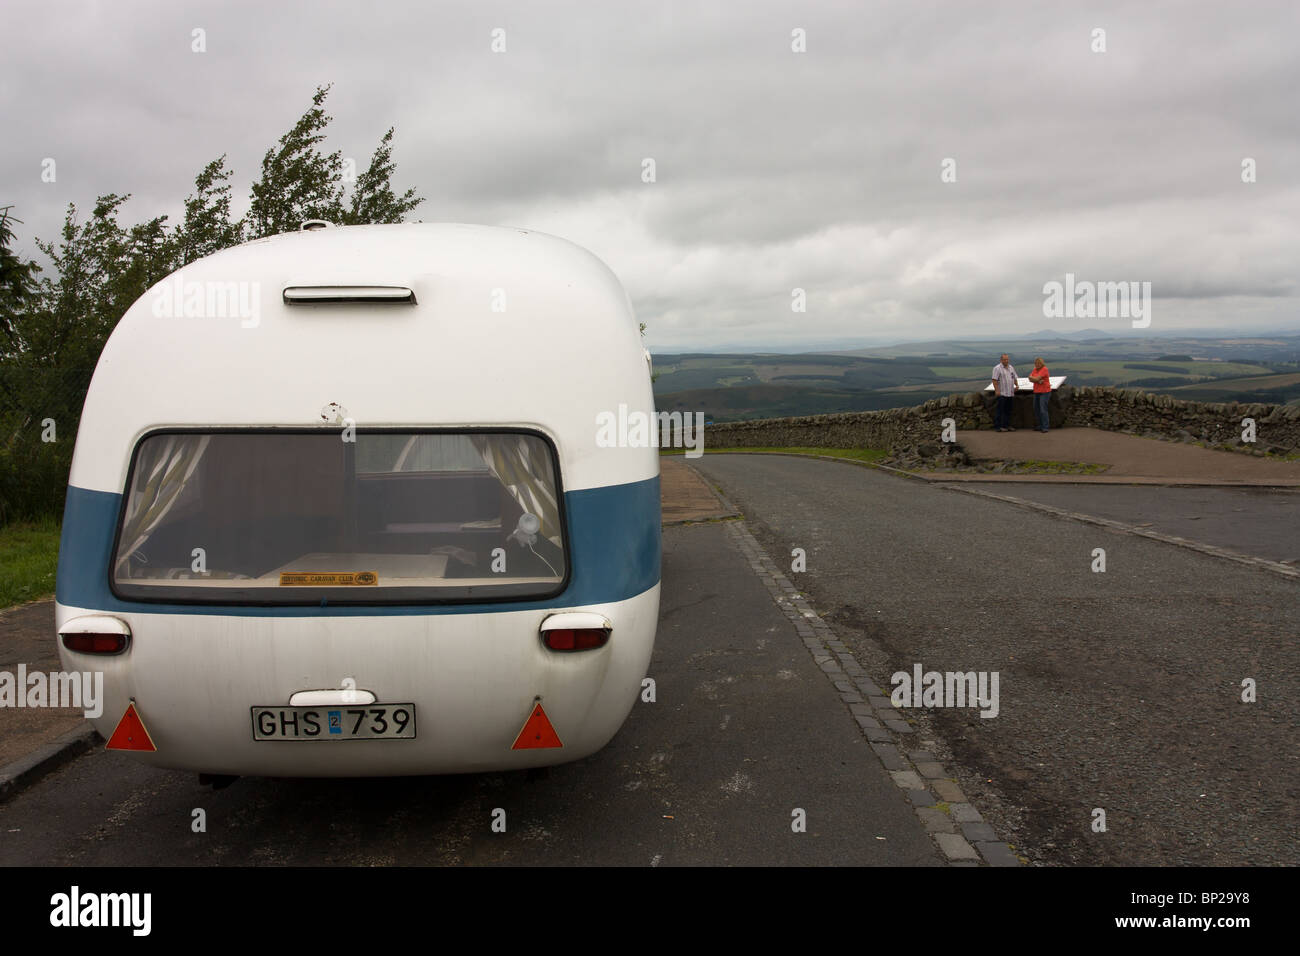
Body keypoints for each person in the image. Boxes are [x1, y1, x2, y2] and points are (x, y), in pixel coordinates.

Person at [990, 354, 1018, 432]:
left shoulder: (1011, 367)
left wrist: (1017, 385)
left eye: (1007, 359)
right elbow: (994, 380)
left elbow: (1014, 377)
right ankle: (998, 427)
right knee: (1000, 410)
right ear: (1001, 360)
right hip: (1002, 393)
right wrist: (996, 390)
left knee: (1008, 410)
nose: (1006, 361)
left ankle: (1007, 425)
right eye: (1005, 359)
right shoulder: (997, 368)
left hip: (1010, 393)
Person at [1029, 357, 1051, 432]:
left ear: (1042, 364)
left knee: (1043, 410)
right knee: (1036, 409)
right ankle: (1040, 425)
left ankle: (1045, 427)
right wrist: (1037, 380)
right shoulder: (1035, 369)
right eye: (1036, 363)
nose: (1037, 365)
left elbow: (1034, 378)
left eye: (1039, 363)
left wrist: (1035, 379)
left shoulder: (1044, 369)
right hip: (1037, 391)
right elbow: (1030, 378)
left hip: (1045, 392)